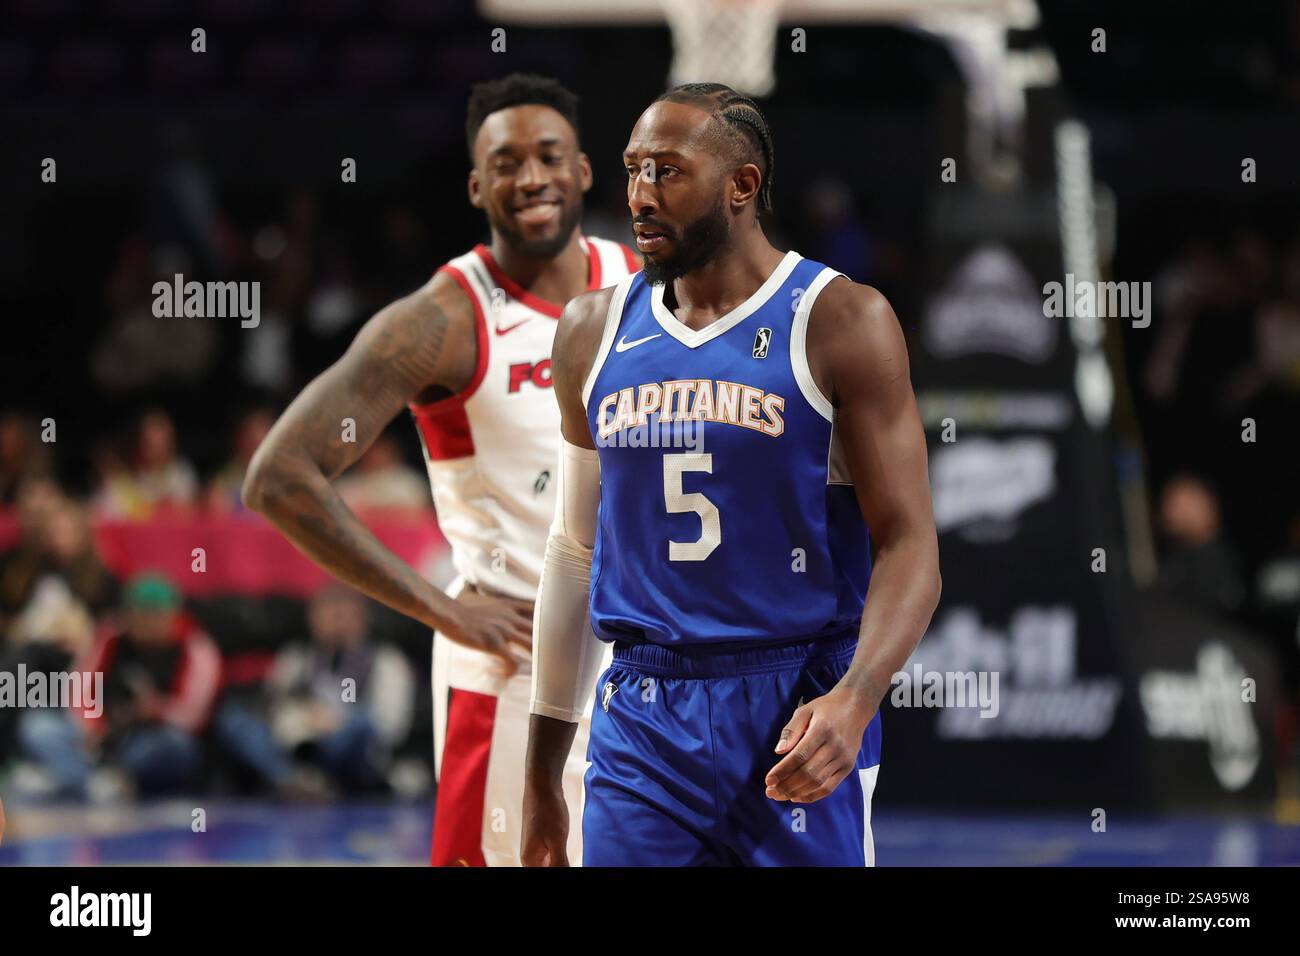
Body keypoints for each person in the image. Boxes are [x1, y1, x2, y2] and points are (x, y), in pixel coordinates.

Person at [522, 84, 941, 866]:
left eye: (668, 172)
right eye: (634, 170)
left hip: (792, 703)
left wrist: (857, 697)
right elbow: (576, 551)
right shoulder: (590, 331)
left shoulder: (840, 320)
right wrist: (544, 764)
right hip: (643, 714)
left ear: (741, 187)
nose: (641, 195)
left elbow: (910, 546)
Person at [242, 74, 637, 866]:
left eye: (548, 156)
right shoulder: (442, 320)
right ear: (476, 183)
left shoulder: (643, 284)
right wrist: (439, 610)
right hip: (514, 663)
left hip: (637, 657)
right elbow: (278, 478)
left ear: (584, 172)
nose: (530, 177)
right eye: (506, 161)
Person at [79, 573, 222, 796]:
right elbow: (79, 688)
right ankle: (95, 779)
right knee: (41, 727)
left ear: (172, 616)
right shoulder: (110, 638)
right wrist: (93, 725)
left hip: (157, 736)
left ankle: (108, 777)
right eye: (140, 614)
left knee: (176, 746)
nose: (146, 622)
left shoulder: (195, 646)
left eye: (154, 615)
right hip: (106, 733)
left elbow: (194, 714)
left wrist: (154, 710)